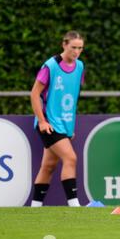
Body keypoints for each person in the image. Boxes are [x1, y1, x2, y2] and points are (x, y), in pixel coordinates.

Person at [30, 31, 85, 207]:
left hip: (65, 126)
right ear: (64, 45)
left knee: (48, 166)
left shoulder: (80, 66)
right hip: (49, 124)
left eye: (80, 48)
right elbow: (34, 94)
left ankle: (35, 207)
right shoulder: (51, 65)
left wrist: (70, 127)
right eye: (73, 47)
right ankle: (74, 204)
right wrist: (42, 121)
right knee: (71, 158)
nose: (76, 51)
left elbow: (70, 96)